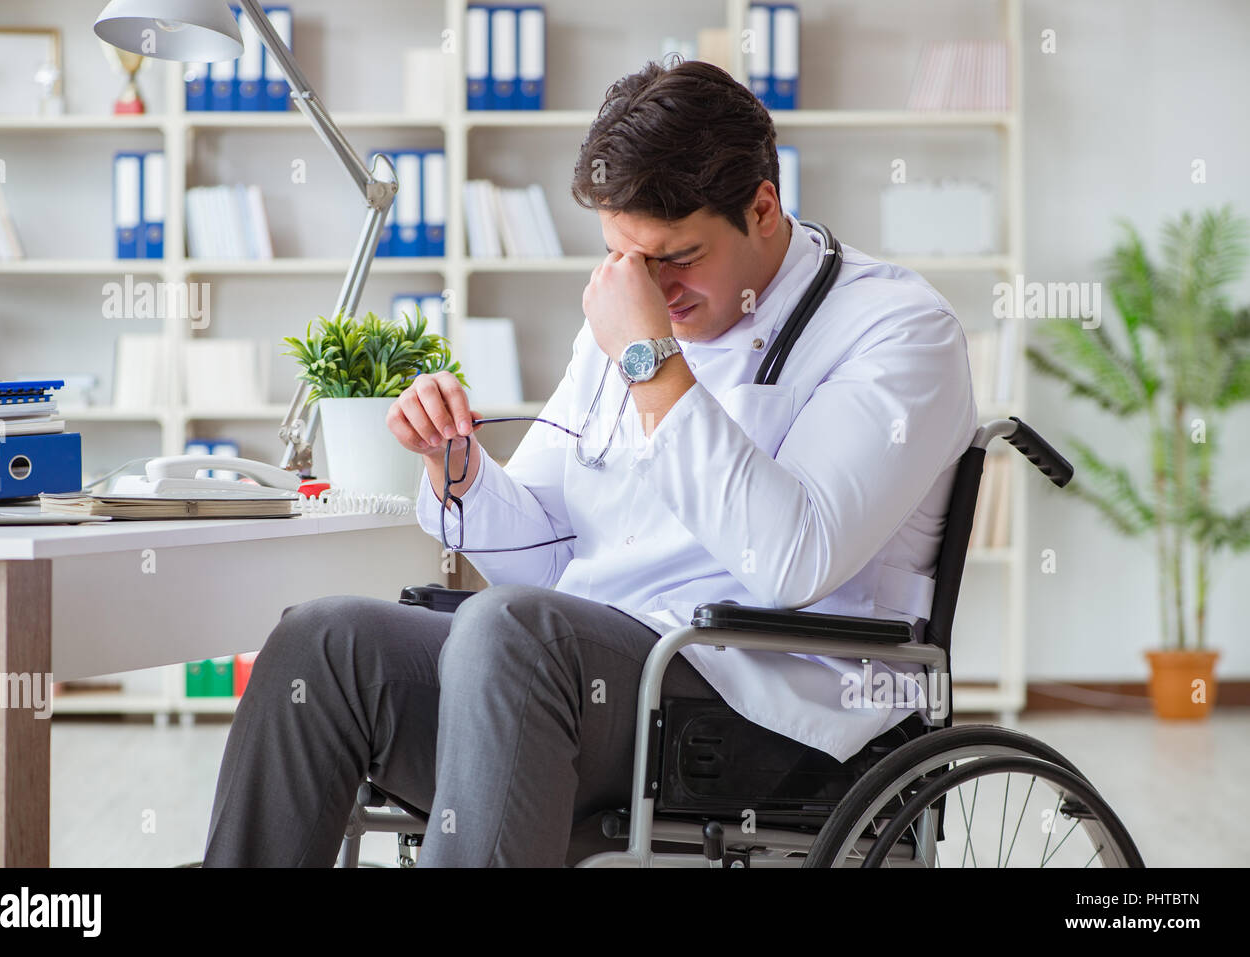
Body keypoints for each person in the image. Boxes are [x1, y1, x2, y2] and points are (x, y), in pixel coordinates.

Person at [202, 57, 976, 868]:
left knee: (510, 634)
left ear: (764, 206)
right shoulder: (624, 313)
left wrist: (650, 359)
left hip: (765, 712)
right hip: (564, 682)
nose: (651, 288)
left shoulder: (896, 329)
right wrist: (456, 466)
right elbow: (540, 552)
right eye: (624, 257)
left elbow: (792, 559)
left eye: (677, 256)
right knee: (321, 642)